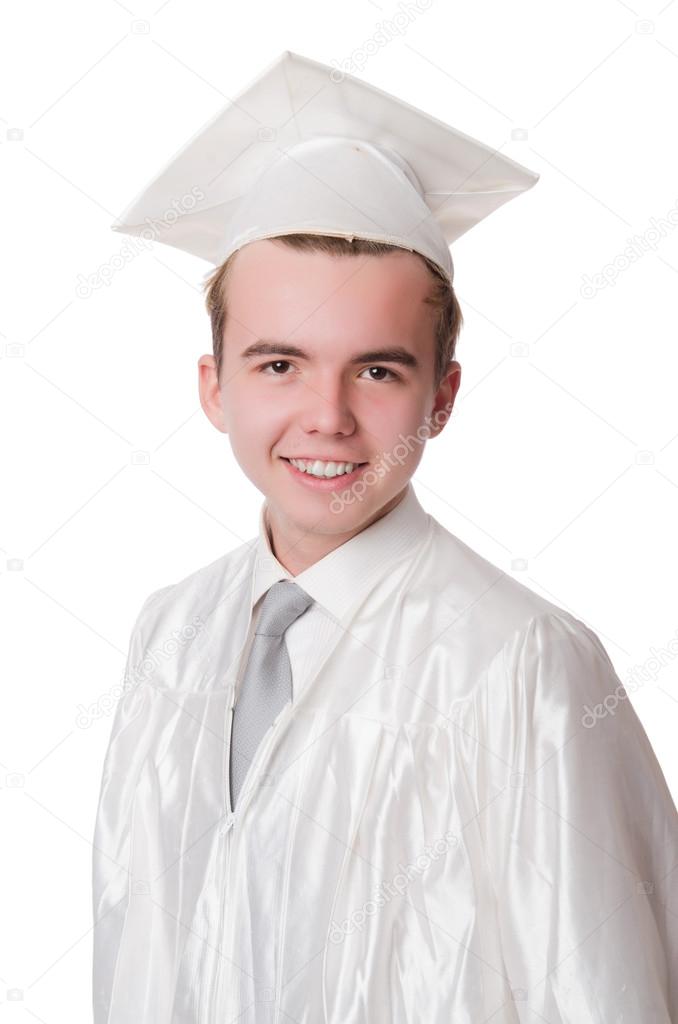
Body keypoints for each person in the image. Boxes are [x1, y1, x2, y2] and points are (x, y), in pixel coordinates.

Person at [93, 50, 678, 1023]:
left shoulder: (519, 665)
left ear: (442, 394)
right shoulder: (172, 635)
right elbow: (135, 947)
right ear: (214, 386)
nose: (327, 415)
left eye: (377, 371)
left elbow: (602, 991)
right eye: (279, 363)